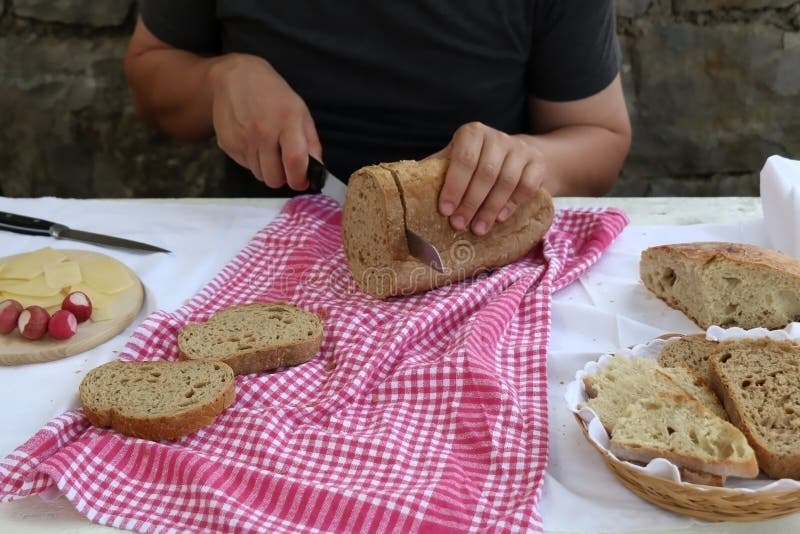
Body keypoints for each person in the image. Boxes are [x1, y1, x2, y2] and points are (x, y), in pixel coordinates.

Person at [124, 1, 631, 236]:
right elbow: (150, 76)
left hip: (471, 244)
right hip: (258, 241)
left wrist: (528, 159)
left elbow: (601, 138)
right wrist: (219, 78)